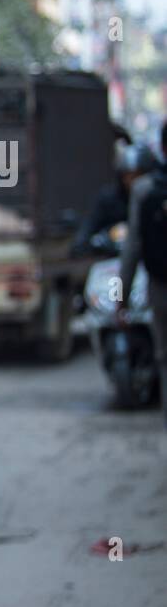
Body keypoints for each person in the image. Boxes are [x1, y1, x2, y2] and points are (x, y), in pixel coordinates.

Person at [117, 123, 167, 428]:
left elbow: (133, 247)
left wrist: (120, 298)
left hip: (160, 288)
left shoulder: (145, 189)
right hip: (158, 283)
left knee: (165, 357)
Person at [75, 141, 158, 255]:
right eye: (129, 177)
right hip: (112, 261)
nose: (133, 182)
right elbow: (86, 232)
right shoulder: (108, 199)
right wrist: (98, 241)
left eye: (139, 175)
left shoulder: (157, 199)